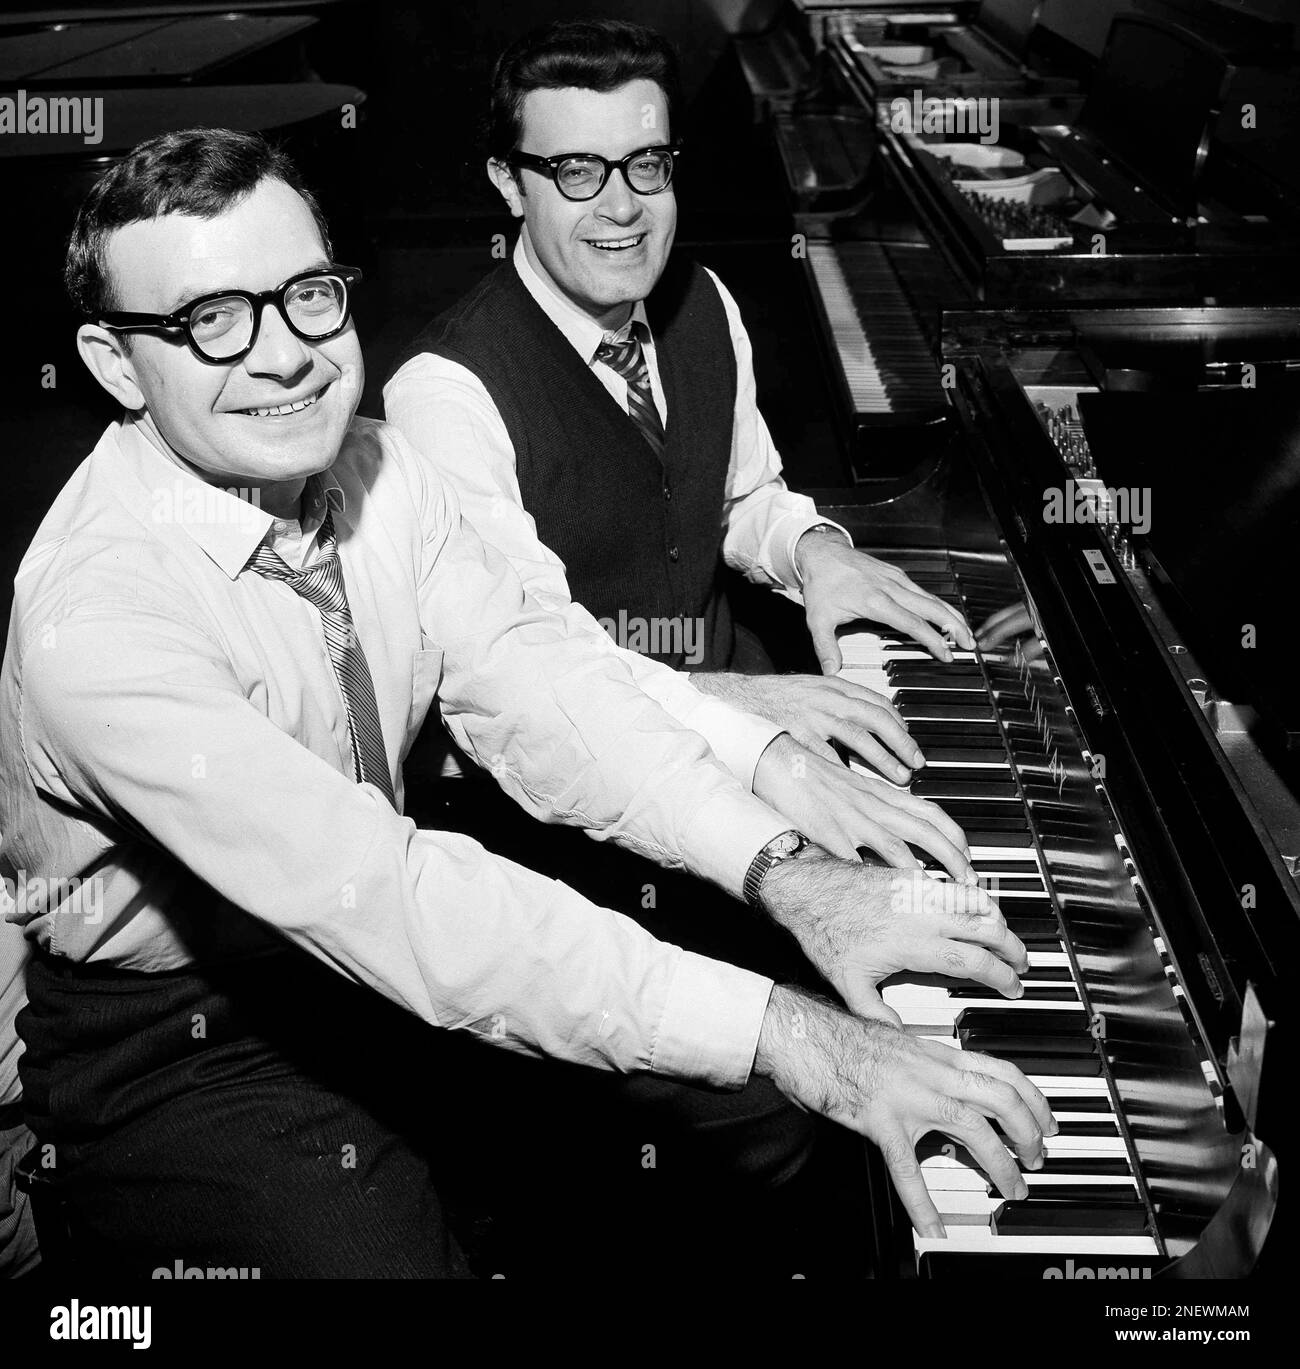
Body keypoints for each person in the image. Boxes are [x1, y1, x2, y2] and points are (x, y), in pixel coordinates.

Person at [0, 128, 1050, 1279]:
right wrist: (797, 1037)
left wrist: (789, 873)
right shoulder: (98, 621)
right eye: (212, 321)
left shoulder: (377, 470)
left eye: (307, 295)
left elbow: (551, 687)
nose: (286, 356)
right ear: (110, 362)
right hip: (194, 1032)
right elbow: (385, 897)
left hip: (391, 928)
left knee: (759, 1129)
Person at [384, 18, 978, 842]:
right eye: (577, 172)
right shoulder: (445, 393)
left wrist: (815, 551)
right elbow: (539, 673)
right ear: (510, 184)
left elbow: (740, 497)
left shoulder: (705, 302)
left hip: (754, 703)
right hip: (597, 800)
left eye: (647, 165)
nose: (623, 205)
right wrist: (744, 709)